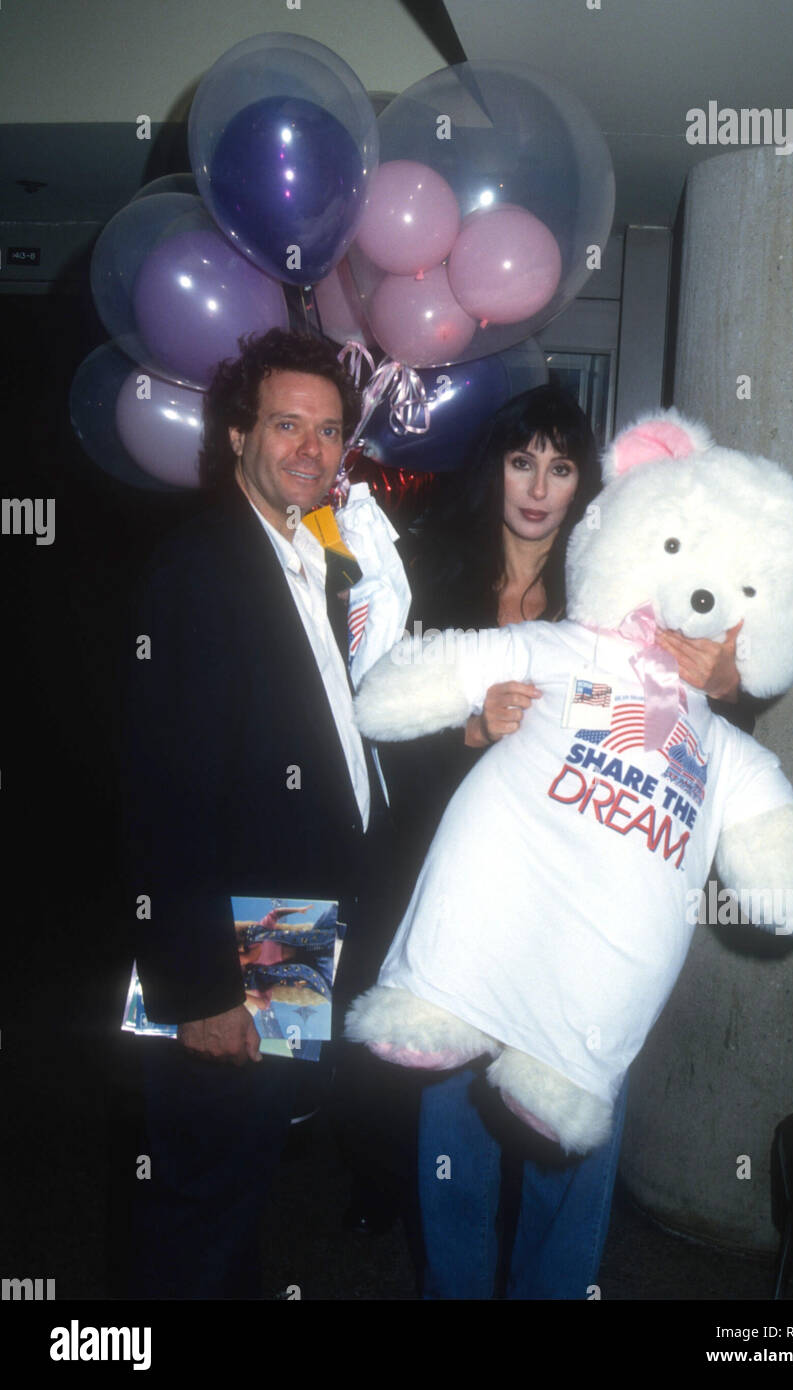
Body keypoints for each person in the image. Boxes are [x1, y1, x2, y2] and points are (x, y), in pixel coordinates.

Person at [379, 385, 744, 1299]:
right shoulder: (426, 571)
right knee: (452, 1122)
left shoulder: (625, 591)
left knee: (570, 1129)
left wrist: (729, 681)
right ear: (491, 467)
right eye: (520, 460)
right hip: (468, 895)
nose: (538, 486)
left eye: (561, 465)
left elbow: (700, 740)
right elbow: (367, 723)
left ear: (585, 483)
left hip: (587, 907)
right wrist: (465, 732)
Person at [122, 328, 395, 1299]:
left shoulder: (298, 552)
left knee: (234, 1179)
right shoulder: (203, 565)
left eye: (327, 432)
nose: (310, 449)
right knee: (201, 1195)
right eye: (287, 424)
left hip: (288, 928)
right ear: (239, 433)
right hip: (235, 944)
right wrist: (199, 987)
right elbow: (160, 790)